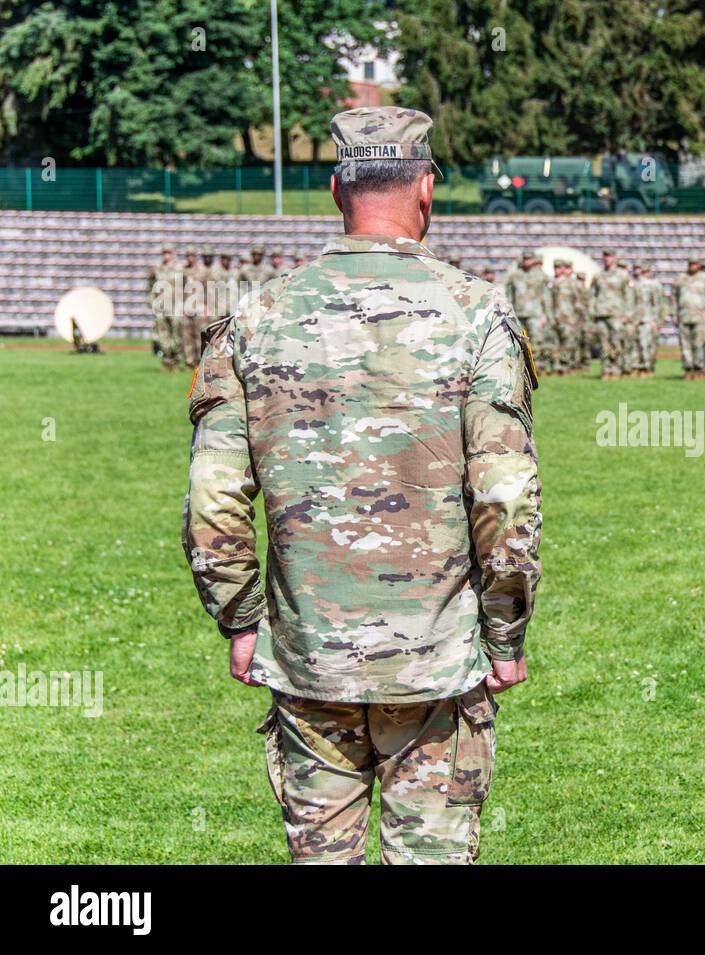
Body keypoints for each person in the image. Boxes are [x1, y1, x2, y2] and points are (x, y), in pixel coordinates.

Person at [181, 105, 540, 865]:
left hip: (311, 660)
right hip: (436, 662)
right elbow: (505, 495)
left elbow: (213, 497)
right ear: (427, 190)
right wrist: (505, 631)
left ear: (337, 189)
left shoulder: (255, 316)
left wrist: (242, 618)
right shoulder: (477, 314)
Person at [504, 249, 554, 375]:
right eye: (525, 258)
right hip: (518, 314)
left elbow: (546, 297)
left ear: (534, 260)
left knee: (538, 342)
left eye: (530, 258)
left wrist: (546, 315)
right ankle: (522, 370)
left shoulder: (541, 276)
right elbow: (509, 296)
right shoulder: (515, 276)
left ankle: (539, 368)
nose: (527, 261)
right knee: (518, 343)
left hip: (536, 314)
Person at [591, 248, 635, 379]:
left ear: (614, 258)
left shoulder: (622, 275)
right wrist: (592, 312)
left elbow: (629, 295)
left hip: (617, 314)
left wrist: (628, 314)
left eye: (609, 256)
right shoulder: (598, 275)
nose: (607, 258)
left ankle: (616, 368)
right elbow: (593, 295)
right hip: (600, 313)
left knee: (616, 342)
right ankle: (606, 369)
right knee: (604, 344)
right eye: (605, 256)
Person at [147, 244, 185, 371]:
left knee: (176, 334)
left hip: (176, 306)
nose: (166, 255)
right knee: (163, 335)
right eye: (164, 253)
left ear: (173, 254)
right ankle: (166, 361)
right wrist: (152, 301)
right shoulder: (157, 269)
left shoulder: (180, 269)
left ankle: (176, 360)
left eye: (169, 253)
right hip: (161, 306)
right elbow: (151, 286)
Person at [673, 258, 705, 381]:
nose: (692, 266)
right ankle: (688, 368)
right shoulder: (680, 279)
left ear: (699, 265)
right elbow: (674, 299)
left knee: (698, 344)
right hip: (684, 316)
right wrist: (674, 315)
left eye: (694, 264)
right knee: (685, 345)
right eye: (690, 264)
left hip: (700, 317)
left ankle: (699, 368)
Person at [551, 258, 587, 375]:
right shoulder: (551, 282)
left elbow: (578, 302)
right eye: (556, 267)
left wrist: (579, 318)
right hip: (554, 317)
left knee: (567, 343)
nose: (559, 270)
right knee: (554, 343)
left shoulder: (572, 283)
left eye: (562, 267)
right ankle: (556, 366)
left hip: (568, 318)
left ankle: (566, 365)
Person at [180, 245, 208, 368]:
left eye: (192, 256)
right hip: (187, 307)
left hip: (200, 307)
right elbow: (180, 290)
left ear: (196, 256)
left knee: (199, 336)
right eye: (188, 256)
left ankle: (200, 361)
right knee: (187, 336)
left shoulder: (203, 271)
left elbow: (209, 290)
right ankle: (189, 362)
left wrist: (207, 306)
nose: (190, 258)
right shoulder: (183, 271)